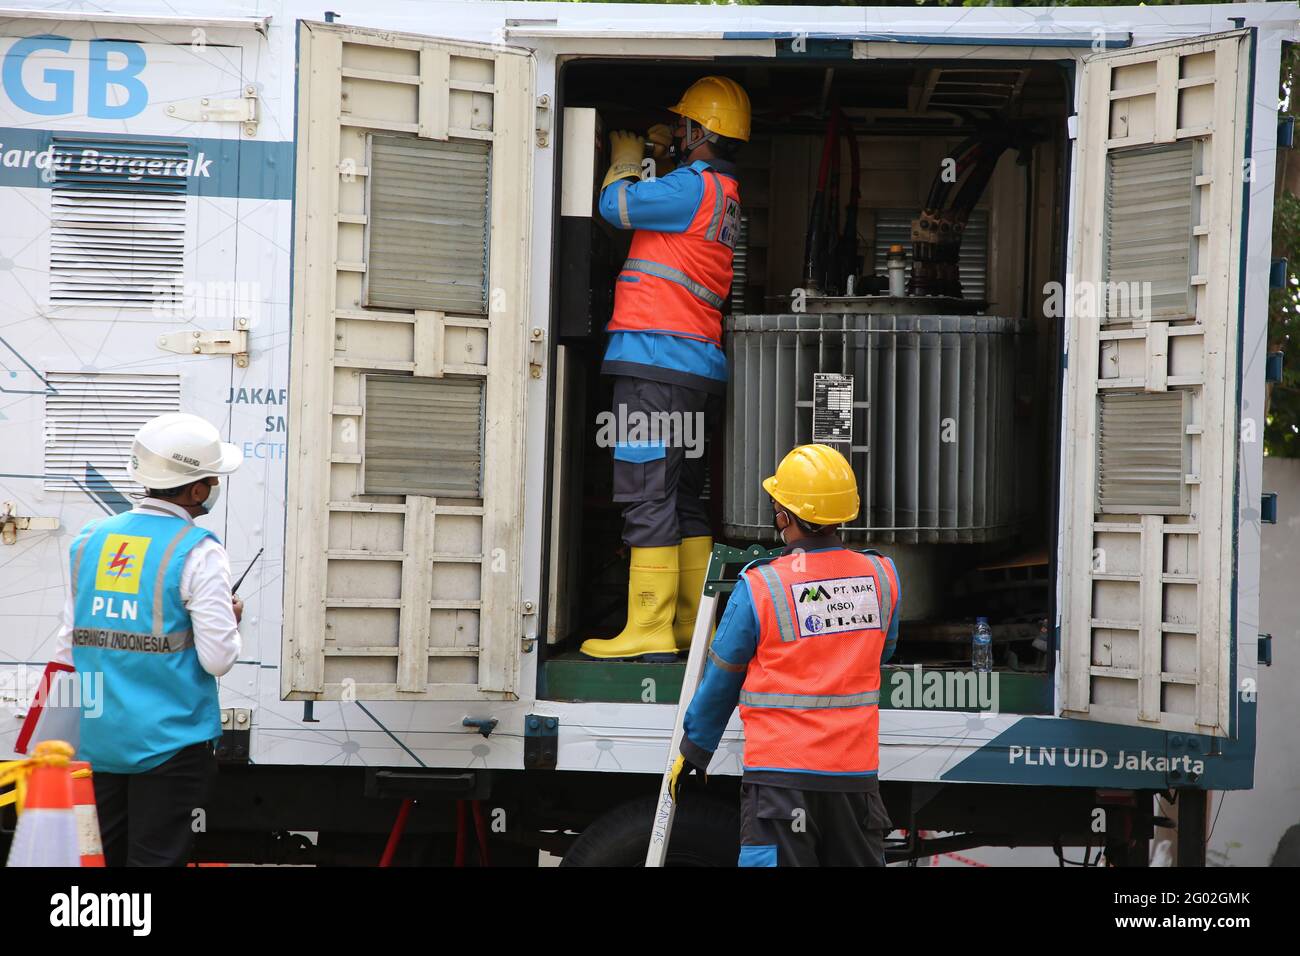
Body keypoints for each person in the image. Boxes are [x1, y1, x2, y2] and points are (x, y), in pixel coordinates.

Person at [581, 75, 750, 661]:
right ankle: (685, 624)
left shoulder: (688, 188)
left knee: (646, 489)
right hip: (695, 367)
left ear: (700, 132)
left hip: (656, 359)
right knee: (682, 495)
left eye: (683, 127)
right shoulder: (722, 193)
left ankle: (647, 627)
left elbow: (615, 207)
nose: (677, 133)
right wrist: (657, 154)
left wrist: (626, 161)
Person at [671, 443, 900, 866]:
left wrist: (695, 750)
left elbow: (722, 677)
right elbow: (882, 650)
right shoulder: (882, 575)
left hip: (780, 783)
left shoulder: (760, 586)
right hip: (855, 782)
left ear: (784, 517)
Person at [50, 412, 243, 866]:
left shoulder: (90, 539)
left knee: (102, 861)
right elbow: (218, 660)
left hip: (99, 739)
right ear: (197, 491)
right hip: (171, 745)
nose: (214, 487)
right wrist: (229, 620)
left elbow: (68, 643)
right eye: (212, 480)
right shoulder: (199, 551)